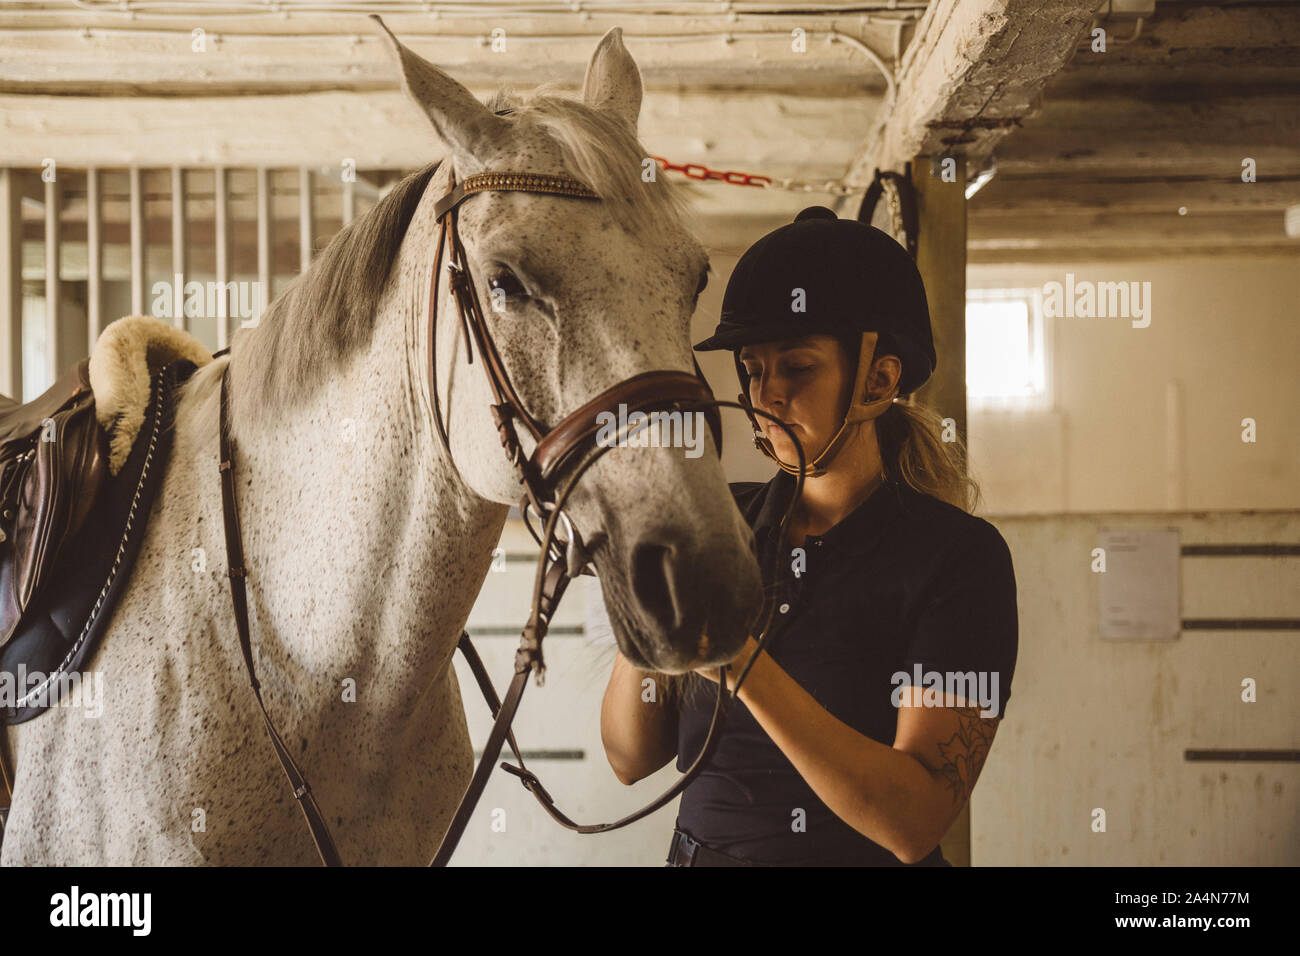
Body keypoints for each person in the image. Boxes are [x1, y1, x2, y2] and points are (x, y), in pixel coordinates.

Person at [599, 206, 1019, 866]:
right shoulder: (725, 523)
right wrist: (643, 590)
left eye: (796, 367)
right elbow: (631, 758)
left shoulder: (961, 558)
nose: (765, 397)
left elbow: (914, 821)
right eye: (753, 369)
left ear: (878, 381)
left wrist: (736, 657)